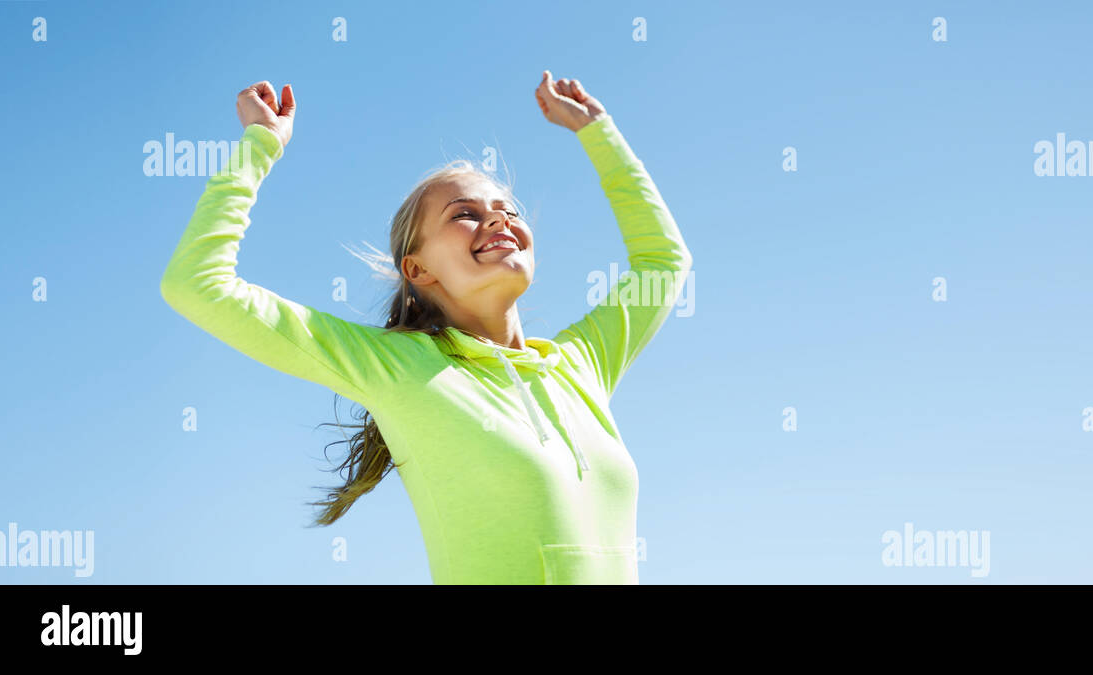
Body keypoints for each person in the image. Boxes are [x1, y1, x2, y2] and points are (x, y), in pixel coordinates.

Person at [159, 70, 693, 584]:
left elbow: (664, 265)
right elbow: (196, 284)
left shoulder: (581, 364)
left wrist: (598, 133)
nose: (499, 220)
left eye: (508, 209)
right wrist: (259, 145)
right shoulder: (398, 367)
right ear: (417, 270)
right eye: (464, 214)